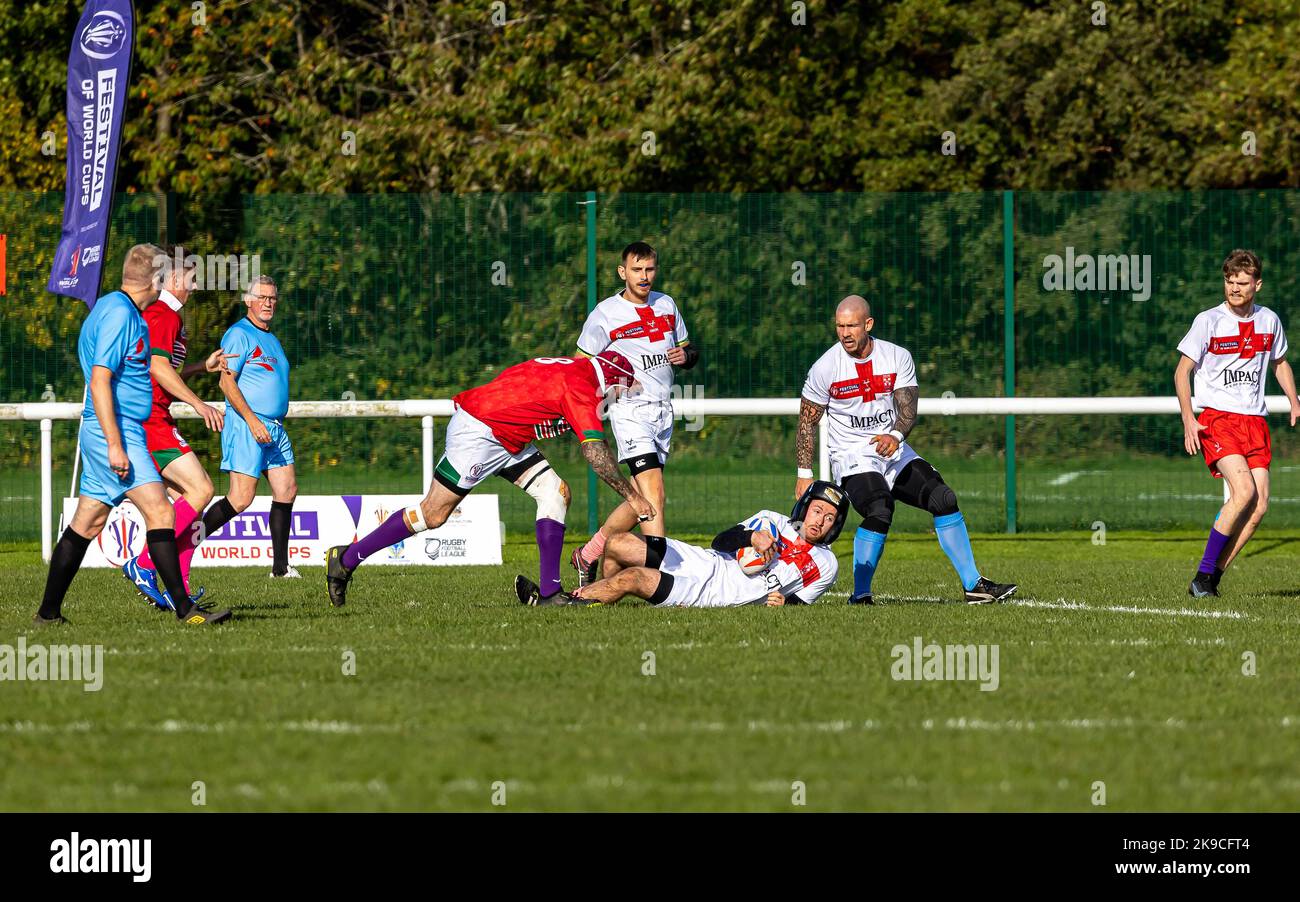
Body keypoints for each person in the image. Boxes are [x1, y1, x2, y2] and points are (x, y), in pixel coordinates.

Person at [325, 351, 655, 607]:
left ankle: (551, 593)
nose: (619, 401)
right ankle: (347, 559)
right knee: (433, 514)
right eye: (621, 393)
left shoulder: (576, 366)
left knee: (556, 493)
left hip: (503, 431)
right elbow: (596, 455)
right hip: (480, 434)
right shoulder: (584, 389)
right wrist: (634, 497)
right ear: (612, 383)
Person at [34, 244, 231, 626]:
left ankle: (47, 614)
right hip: (118, 431)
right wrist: (113, 443)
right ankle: (187, 611)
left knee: (87, 522)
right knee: (161, 511)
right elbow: (101, 381)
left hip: (115, 430)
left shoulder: (113, 308)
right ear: (157, 280)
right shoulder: (121, 316)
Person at [795, 294, 1016, 605]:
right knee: (880, 508)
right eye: (839, 326)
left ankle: (973, 585)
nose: (845, 333)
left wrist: (896, 436)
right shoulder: (825, 367)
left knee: (943, 498)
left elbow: (908, 408)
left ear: (868, 324)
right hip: (853, 456)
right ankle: (860, 595)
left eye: (852, 326)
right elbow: (807, 421)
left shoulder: (897, 356)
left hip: (894, 450)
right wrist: (805, 473)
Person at [568, 241, 697, 587]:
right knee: (655, 492)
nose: (644, 276)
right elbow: (580, 365)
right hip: (630, 412)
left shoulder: (666, 304)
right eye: (637, 270)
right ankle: (662, 578)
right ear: (622, 272)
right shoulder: (605, 313)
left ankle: (589, 554)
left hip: (662, 412)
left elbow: (688, 349)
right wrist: (603, 391)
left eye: (650, 269)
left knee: (640, 499)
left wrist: (687, 357)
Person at [1176, 249, 1299, 597]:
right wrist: (1189, 418)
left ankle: (1210, 578)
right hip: (1218, 420)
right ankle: (1202, 576)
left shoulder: (1269, 321)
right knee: (1243, 492)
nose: (1234, 288)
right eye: (1229, 282)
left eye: (1242, 283)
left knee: (1259, 506)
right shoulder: (1208, 321)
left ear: (1257, 284)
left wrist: (1294, 400)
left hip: (1254, 422)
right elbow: (1182, 371)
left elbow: (1281, 362)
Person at [120, 246, 232, 609]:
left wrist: (201, 366)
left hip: (153, 416)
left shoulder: (168, 317)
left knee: (187, 503)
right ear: (173, 278)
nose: (196, 286)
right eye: (193, 278)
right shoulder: (164, 315)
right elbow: (156, 368)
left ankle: (176, 587)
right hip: (150, 419)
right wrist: (199, 405)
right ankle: (144, 563)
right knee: (201, 490)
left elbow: (163, 368)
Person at [563, 481, 848, 608]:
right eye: (817, 510)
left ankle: (569, 600)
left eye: (829, 518)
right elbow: (720, 541)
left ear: (835, 526)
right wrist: (751, 537)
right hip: (703, 561)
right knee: (616, 543)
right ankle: (599, 601)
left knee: (633, 578)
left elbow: (800, 603)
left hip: (711, 592)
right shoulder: (771, 519)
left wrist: (783, 603)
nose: (820, 521)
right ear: (805, 507)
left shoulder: (826, 564)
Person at [217, 274, 300, 578]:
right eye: (262, 297)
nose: (268, 303)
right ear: (248, 301)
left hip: (274, 428)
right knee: (241, 498)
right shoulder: (239, 334)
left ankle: (280, 569)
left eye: (272, 298)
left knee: (287, 488)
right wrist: (252, 421)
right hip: (247, 424)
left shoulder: (272, 338)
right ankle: (183, 546)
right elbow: (226, 383)